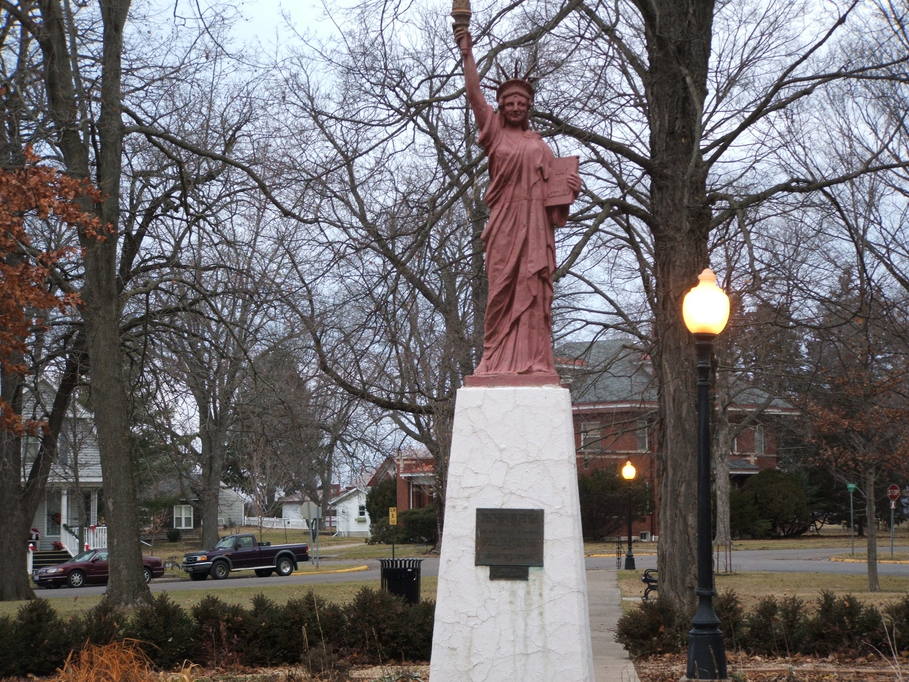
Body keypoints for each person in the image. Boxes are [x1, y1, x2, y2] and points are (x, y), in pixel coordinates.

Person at [455, 27, 580, 384]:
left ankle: (534, 361)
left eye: (520, 104)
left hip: (536, 225)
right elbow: (474, 93)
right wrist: (467, 55)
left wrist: (571, 188)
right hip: (505, 221)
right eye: (508, 103)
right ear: (502, 107)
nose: (513, 108)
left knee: (534, 290)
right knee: (500, 292)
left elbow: (555, 194)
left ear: (528, 108)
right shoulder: (494, 134)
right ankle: (494, 361)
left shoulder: (540, 144)